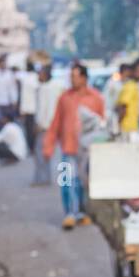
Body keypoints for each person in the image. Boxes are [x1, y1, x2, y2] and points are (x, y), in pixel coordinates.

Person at [43, 63, 105, 229]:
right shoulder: (64, 98)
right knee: (66, 181)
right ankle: (70, 213)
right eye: (70, 76)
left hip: (88, 150)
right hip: (68, 147)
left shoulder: (96, 98)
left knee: (83, 183)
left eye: (75, 76)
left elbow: (102, 125)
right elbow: (56, 123)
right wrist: (48, 145)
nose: (72, 80)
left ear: (84, 78)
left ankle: (82, 212)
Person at [33, 65, 60, 185]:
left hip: (45, 125)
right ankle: (45, 178)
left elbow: (44, 108)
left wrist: (40, 124)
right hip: (52, 124)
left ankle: (42, 179)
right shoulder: (56, 86)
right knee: (47, 152)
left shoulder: (45, 89)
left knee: (41, 152)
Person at [116, 60, 139, 134]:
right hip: (128, 126)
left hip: (130, 125)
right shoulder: (130, 86)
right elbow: (123, 106)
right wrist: (119, 123)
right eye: (138, 72)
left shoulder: (130, 85)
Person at [18, 60, 39, 149]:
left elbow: (22, 95)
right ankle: (33, 146)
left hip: (27, 108)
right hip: (35, 108)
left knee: (28, 129)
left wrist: (21, 108)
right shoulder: (36, 77)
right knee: (32, 128)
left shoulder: (24, 78)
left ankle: (30, 146)